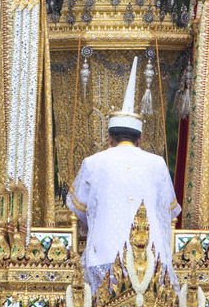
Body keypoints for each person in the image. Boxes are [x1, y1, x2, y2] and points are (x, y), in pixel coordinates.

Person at [67, 56, 181, 293]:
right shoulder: (157, 163)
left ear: (109, 138)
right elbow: (170, 212)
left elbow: (77, 210)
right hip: (151, 260)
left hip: (104, 257)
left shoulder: (92, 163)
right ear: (140, 139)